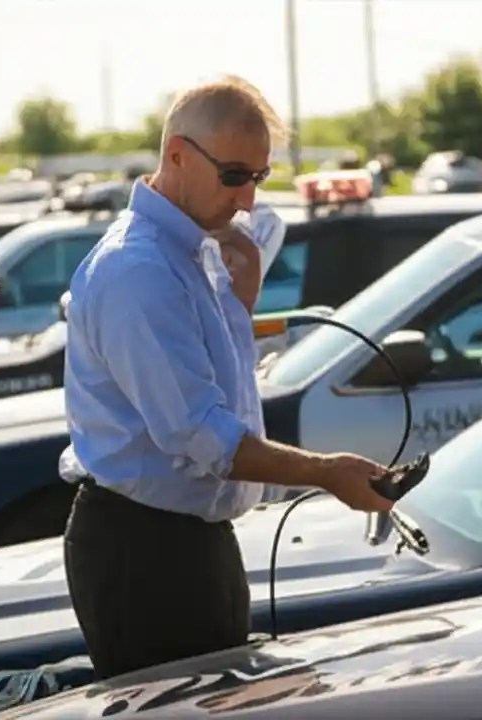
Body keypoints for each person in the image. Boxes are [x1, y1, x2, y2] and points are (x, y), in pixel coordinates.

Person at [59, 75, 395, 681]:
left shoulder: (189, 249)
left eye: (259, 179)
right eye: (235, 175)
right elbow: (203, 437)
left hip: (183, 542)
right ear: (178, 156)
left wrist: (240, 301)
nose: (246, 201)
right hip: (145, 554)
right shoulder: (139, 268)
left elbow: (213, 397)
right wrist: (325, 473)